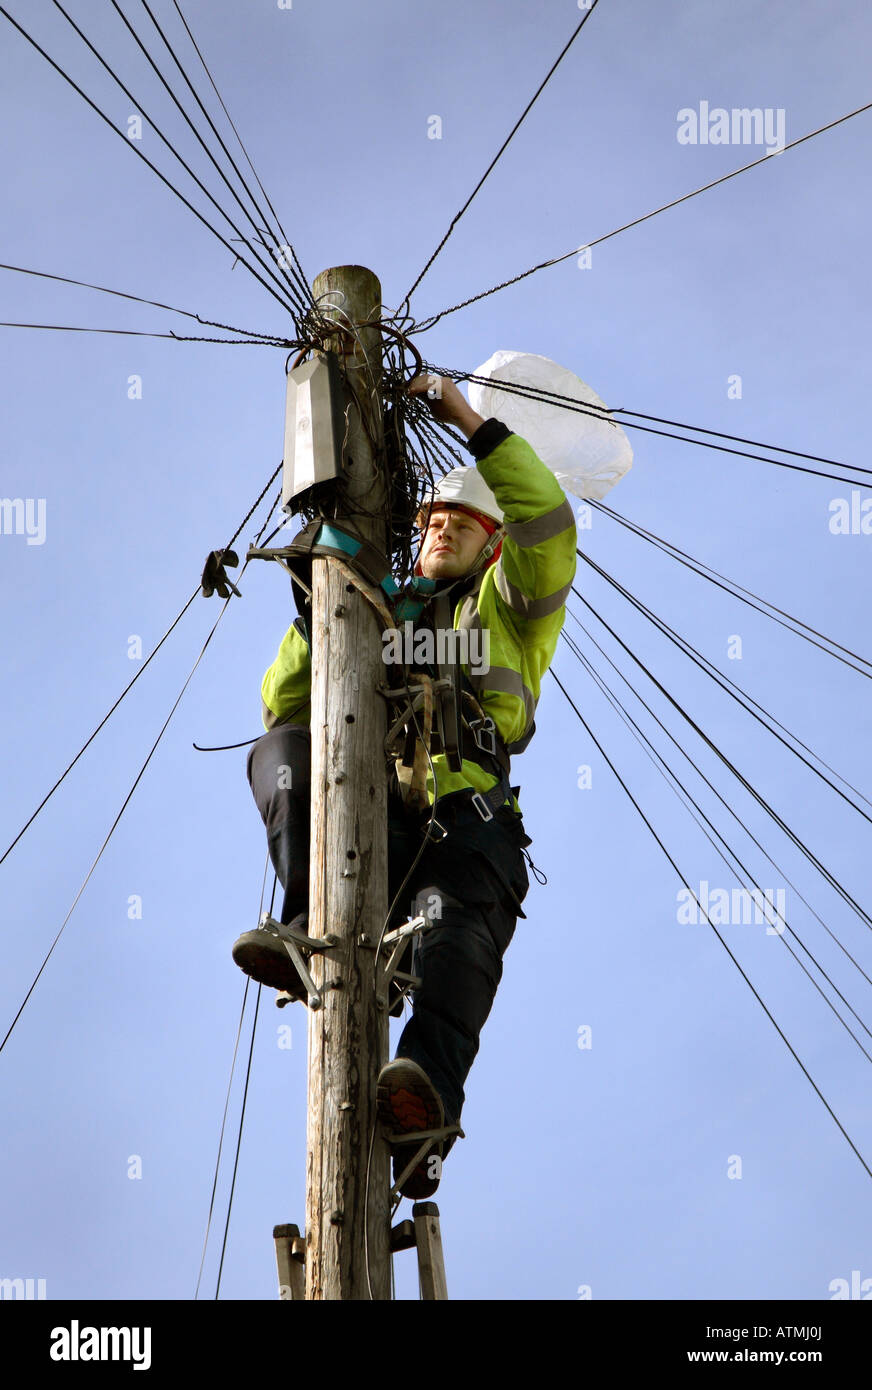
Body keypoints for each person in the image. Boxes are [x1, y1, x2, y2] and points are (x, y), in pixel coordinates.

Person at [233, 374, 577, 1197]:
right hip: (370, 817)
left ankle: (421, 1097)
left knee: (454, 937)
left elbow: (550, 527)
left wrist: (466, 418)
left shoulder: (505, 610)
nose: (440, 528)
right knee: (278, 748)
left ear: (494, 544)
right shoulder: (372, 606)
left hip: (466, 826)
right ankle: (303, 919)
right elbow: (285, 702)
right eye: (430, 518)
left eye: (463, 521)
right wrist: (319, 607)